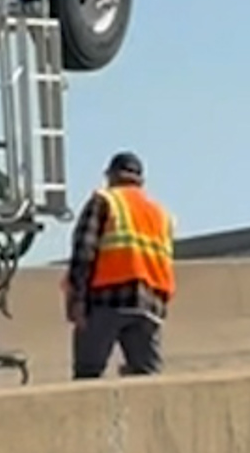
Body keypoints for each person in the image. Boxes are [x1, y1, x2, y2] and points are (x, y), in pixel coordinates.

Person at [63, 150, 176, 379]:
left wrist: (77, 299)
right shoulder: (161, 214)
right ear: (141, 181)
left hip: (107, 300)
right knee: (147, 380)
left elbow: (84, 252)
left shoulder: (105, 201)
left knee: (87, 376)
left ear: (112, 176)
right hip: (150, 306)